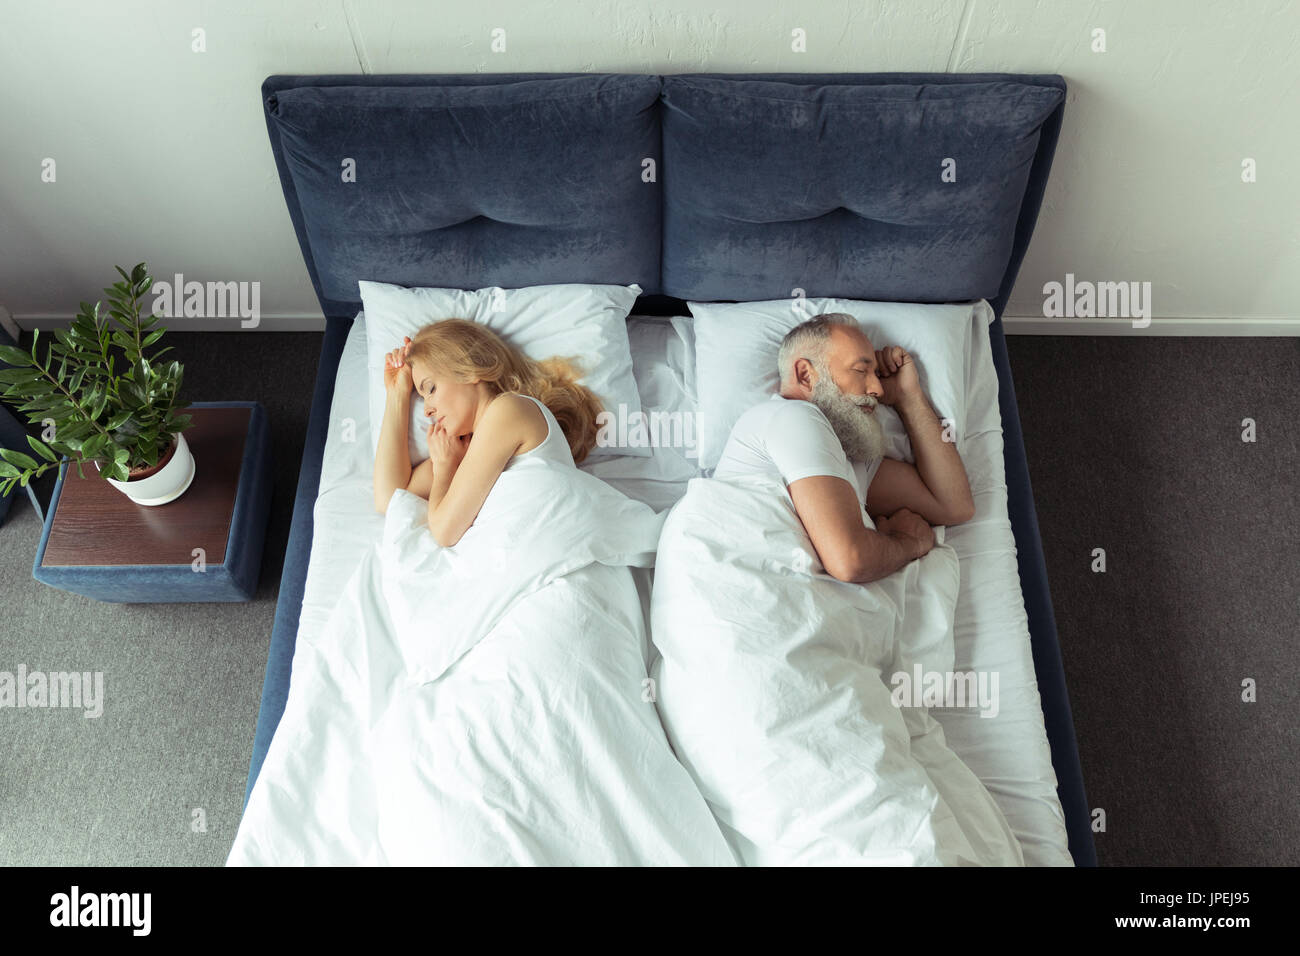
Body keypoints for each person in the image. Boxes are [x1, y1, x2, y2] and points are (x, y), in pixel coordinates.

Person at [713, 312, 976, 581]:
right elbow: (851, 562)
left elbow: (953, 505)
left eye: (875, 373)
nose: (877, 389)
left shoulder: (852, 461)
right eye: (861, 370)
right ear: (805, 374)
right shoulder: (790, 416)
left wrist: (908, 398)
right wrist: (908, 542)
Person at [372, 319, 601, 547]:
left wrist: (444, 471)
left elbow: (444, 532)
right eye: (421, 397)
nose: (427, 409)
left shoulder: (510, 410)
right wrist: (397, 393)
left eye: (431, 388)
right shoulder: (463, 447)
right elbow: (389, 501)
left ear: (469, 370)